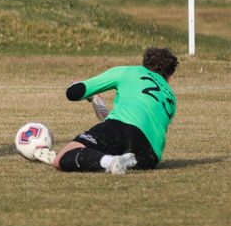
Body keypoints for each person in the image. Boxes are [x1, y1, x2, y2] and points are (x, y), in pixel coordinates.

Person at [32, 48, 179, 175]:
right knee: (115, 143)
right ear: (169, 76)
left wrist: (83, 89)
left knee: (62, 157)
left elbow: (74, 93)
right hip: (150, 155)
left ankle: (109, 161)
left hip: (122, 128)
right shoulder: (171, 97)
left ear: (145, 64)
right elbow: (136, 128)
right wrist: (97, 102)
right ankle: (119, 160)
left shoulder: (130, 71)